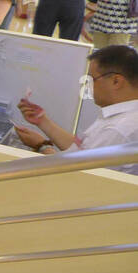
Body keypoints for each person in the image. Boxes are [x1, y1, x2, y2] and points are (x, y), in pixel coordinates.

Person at [15, 45, 138, 176]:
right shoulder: (120, 117)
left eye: (91, 79)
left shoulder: (118, 130)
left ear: (116, 81)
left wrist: (43, 147)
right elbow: (82, 149)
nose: (87, 85)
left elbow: (81, 175)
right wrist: (42, 121)